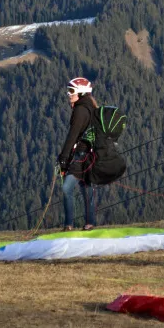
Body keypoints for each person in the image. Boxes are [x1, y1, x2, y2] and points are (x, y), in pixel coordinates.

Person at [58, 77, 99, 231]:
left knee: (67, 188)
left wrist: (63, 158)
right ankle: (89, 223)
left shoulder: (80, 110)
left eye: (71, 91)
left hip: (80, 156)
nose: (68, 94)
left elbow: (72, 136)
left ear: (81, 92)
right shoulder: (91, 107)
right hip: (90, 155)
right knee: (86, 188)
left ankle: (68, 225)